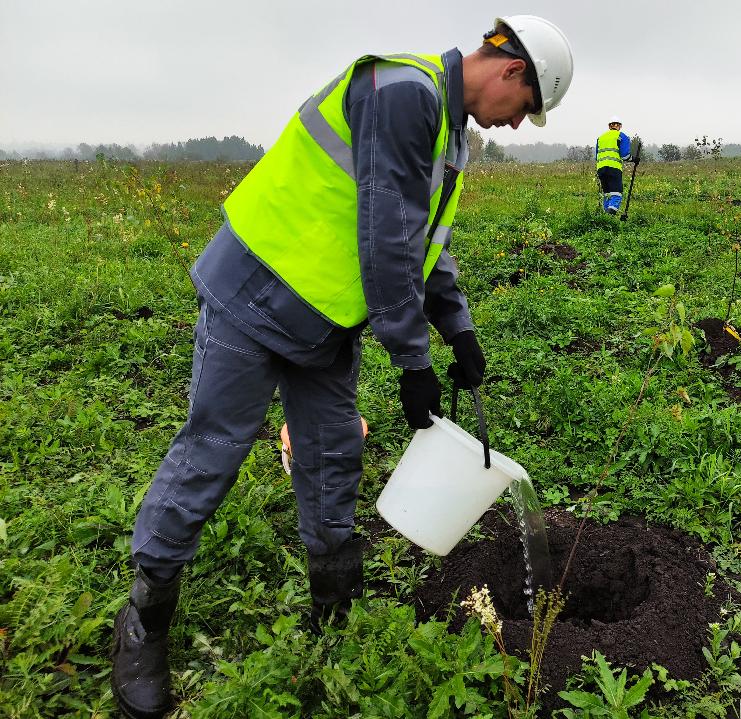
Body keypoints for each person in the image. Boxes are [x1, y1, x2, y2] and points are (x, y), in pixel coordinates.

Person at [109, 15, 573, 719]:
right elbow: (385, 236)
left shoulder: (449, 131)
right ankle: (144, 617)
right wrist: (411, 359)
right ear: (512, 72)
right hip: (254, 291)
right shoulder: (403, 92)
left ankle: (334, 609)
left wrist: (457, 325)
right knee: (213, 451)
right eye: (525, 110)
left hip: (323, 321)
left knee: (331, 455)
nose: (515, 125)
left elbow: (421, 241)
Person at [595, 116, 631, 214]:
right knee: (616, 194)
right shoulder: (622, 136)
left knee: (607, 194)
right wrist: (634, 159)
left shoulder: (601, 138)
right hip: (614, 169)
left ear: (609, 126)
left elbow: (597, 155)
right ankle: (610, 216)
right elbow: (625, 156)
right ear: (619, 126)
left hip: (601, 169)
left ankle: (605, 218)